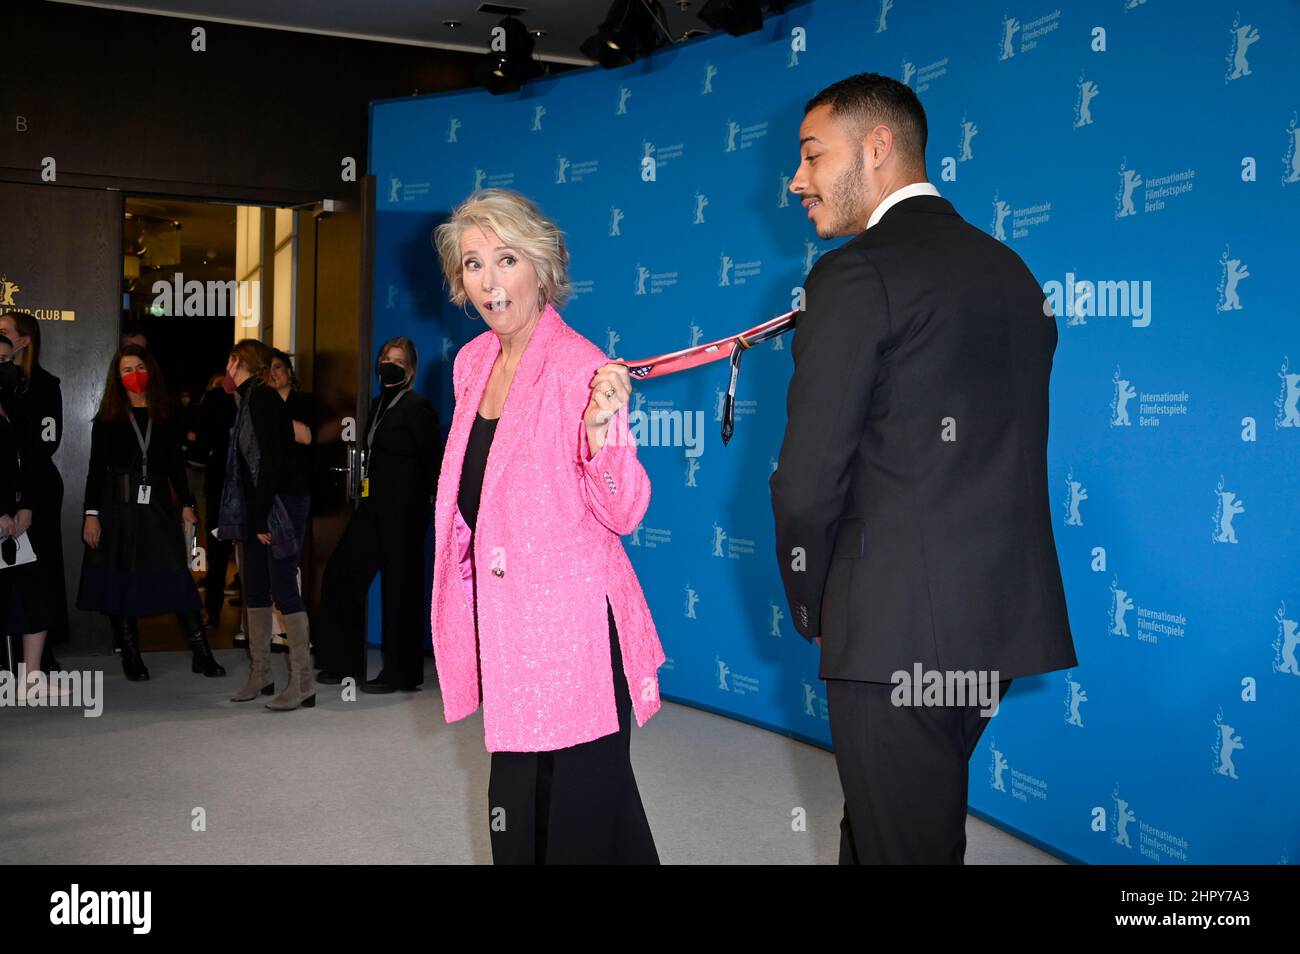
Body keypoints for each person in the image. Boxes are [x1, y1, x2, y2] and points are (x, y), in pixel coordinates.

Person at [770, 72, 1077, 864]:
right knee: (888, 821)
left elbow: (807, 482)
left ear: (877, 149)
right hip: (993, 624)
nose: (795, 180)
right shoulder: (1012, 272)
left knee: (905, 839)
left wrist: (815, 604)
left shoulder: (851, 276)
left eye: (811, 155)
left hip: (891, 630)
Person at [431, 188, 664, 864]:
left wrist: (601, 438)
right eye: (473, 264)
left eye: (506, 259)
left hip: (579, 640)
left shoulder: (583, 368)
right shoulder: (472, 364)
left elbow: (624, 511)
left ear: (541, 266)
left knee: (572, 829)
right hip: (512, 632)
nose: (489, 281)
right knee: (530, 818)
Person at [77, 344, 226, 681]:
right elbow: (95, 469)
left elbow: (175, 465)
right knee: (121, 580)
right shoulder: (108, 417)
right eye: (126, 370)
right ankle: (131, 654)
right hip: (117, 507)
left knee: (177, 575)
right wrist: (91, 513)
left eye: (138, 367)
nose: (133, 375)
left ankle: (201, 652)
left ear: (151, 370)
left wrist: (188, 504)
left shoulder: (166, 412)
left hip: (157, 506)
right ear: (117, 377)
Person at [314, 338, 440, 693]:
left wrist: (430, 505)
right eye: (385, 358)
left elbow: (434, 462)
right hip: (371, 509)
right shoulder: (374, 406)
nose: (389, 365)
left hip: (405, 513)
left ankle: (401, 674)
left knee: (401, 590)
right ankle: (342, 662)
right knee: (342, 574)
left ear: (411, 371)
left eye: (398, 361)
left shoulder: (418, 408)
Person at [218, 339, 313, 711]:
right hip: (260, 503)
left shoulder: (262, 398)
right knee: (255, 587)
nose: (226, 368)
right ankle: (261, 674)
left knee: (283, 587)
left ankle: (303, 682)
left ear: (236, 360)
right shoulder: (247, 399)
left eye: (228, 361)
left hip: (280, 503)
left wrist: (259, 515)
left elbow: (273, 461)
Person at [0, 311, 68, 672]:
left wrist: (25, 500)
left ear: (23, 341)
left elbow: (44, 446)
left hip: (37, 489)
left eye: (4, 332)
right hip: (4, 487)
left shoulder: (44, 386)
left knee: (38, 570)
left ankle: (39, 656)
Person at [267, 349, 314, 653]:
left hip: (295, 491)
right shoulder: (260, 402)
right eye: (268, 369)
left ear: (289, 372)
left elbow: (305, 436)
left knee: (290, 559)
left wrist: (276, 418)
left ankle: (295, 634)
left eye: (279, 368)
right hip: (268, 492)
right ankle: (274, 631)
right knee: (269, 561)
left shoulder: (302, 402)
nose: (274, 373)